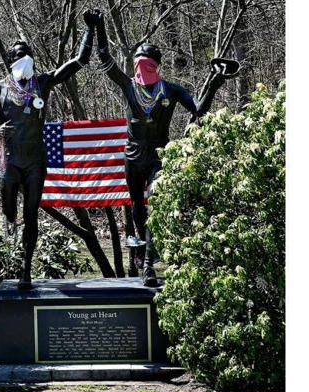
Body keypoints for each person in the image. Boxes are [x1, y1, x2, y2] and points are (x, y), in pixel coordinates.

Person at [90, 9, 239, 286]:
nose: (140, 68)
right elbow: (104, 58)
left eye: (146, 63)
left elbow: (198, 111)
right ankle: (138, 246)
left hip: (159, 155)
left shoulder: (170, 90)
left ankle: (148, 266)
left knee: (156, 204)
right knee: (136, 206)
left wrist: (216, 82)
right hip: (132, 155)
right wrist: (98, 27)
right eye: (138, 63)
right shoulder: (128, 86)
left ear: (156, 66)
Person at [0, 12, 98, 290]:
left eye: (29, 55)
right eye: (21, 56)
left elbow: (77, 63)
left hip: (35, 160)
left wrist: (90, 29)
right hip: (9, 158)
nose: (26, 59)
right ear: (11, 62)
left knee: (31, 213)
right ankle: (9, 218)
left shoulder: (41, 83)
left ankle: (26, 270)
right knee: (10, 204)